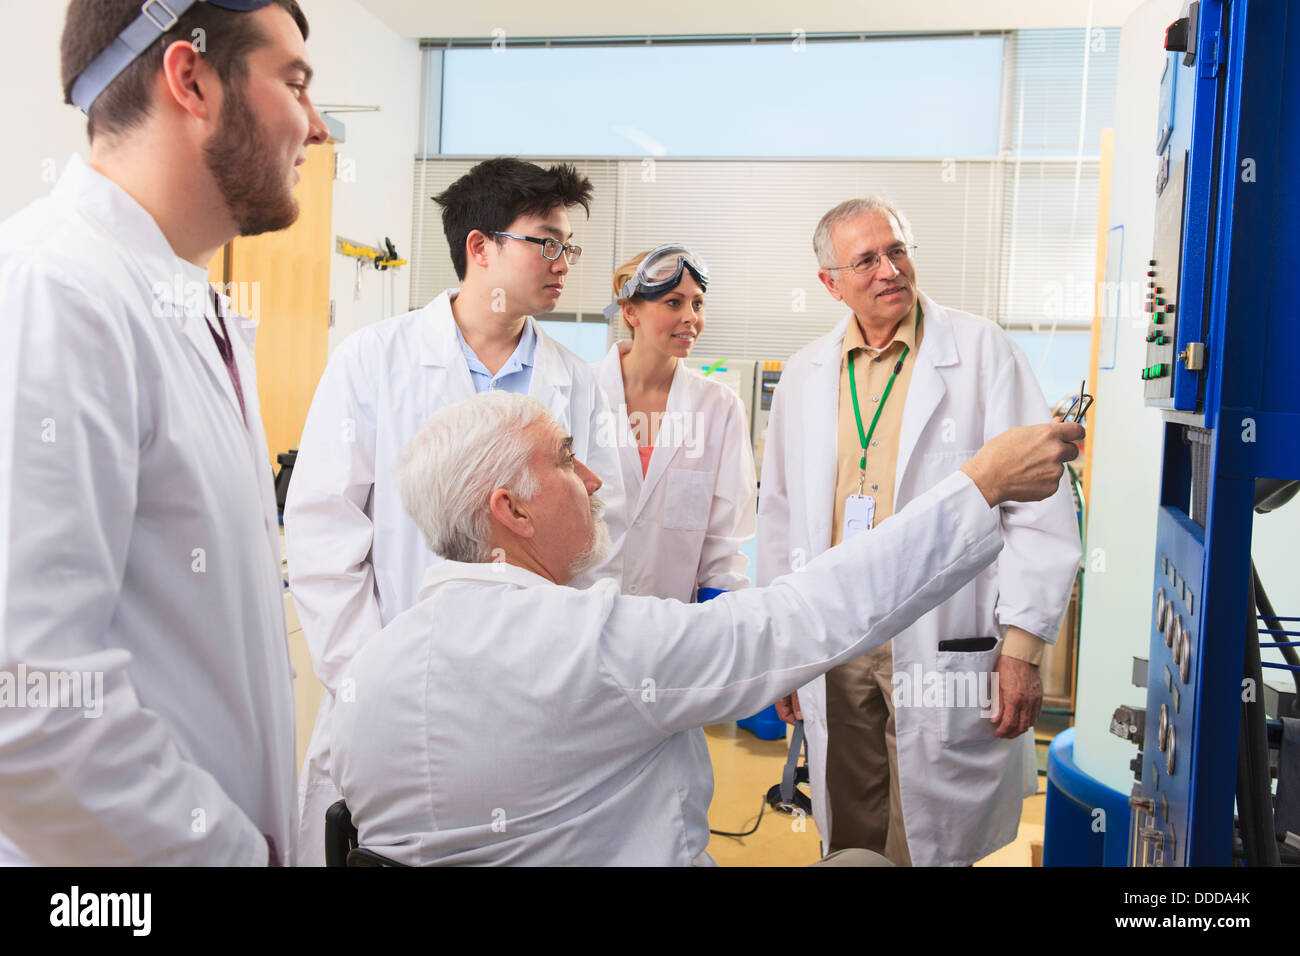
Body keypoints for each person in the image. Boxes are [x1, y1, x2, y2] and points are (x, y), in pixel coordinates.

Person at [329, 391, 1082, 865]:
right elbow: (802, 619)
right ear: (513, 510)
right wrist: (979, 486)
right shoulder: (588, 645)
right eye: (565, 460)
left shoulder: (373, 673)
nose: (593, 479)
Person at [0, 0, 328, 864]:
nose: (318, 128)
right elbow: (24, 702)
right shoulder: (53, 292)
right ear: (191, 79)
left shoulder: (193, 307)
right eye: (294, 83)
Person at [285, 157, 628, 866]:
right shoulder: (373, 361)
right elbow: (324, 537)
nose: (564, 263)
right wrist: (370, 676)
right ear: (480, 247)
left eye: (570, 246)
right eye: (547, 242)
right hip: (392, 692)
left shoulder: (575, 382)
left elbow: (603, 536)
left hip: (534, 695)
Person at [758, 197, 1082, 866]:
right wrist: (778, 652)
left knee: (927, 836)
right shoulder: (805, 374)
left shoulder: (982, 351)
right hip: (835, 631)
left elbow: (1039, 509)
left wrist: (1022, 650)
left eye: (897, 250)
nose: (888, 270)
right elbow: (780, 516)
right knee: (846, 817)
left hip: (943, 633)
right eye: (866, 259)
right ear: (830, 282)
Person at [594, 245, 756, 602]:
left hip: (675, 629)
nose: (691, 317)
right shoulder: (581, 393)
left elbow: (725, 542)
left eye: (697, 304)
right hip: (585, 621)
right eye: (673, 303)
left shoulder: (720, 407)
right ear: (630, 312)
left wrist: (716, 623)